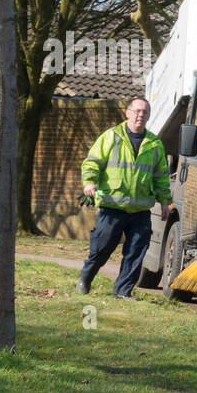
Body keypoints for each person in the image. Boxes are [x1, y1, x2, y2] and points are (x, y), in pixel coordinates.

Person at [77, 97, 172, 298]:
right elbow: (92, 162)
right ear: (127, 113)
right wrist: (90, 182)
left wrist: (165, 201)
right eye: (137, 111)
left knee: (136, 252)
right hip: (113, 206)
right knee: (102, 248)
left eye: (145, 112)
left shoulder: (155, 144)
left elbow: (161, 176)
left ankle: (122, 292)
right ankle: (86, 277)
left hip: (140, 211)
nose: (141, 115)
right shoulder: (111, 137)